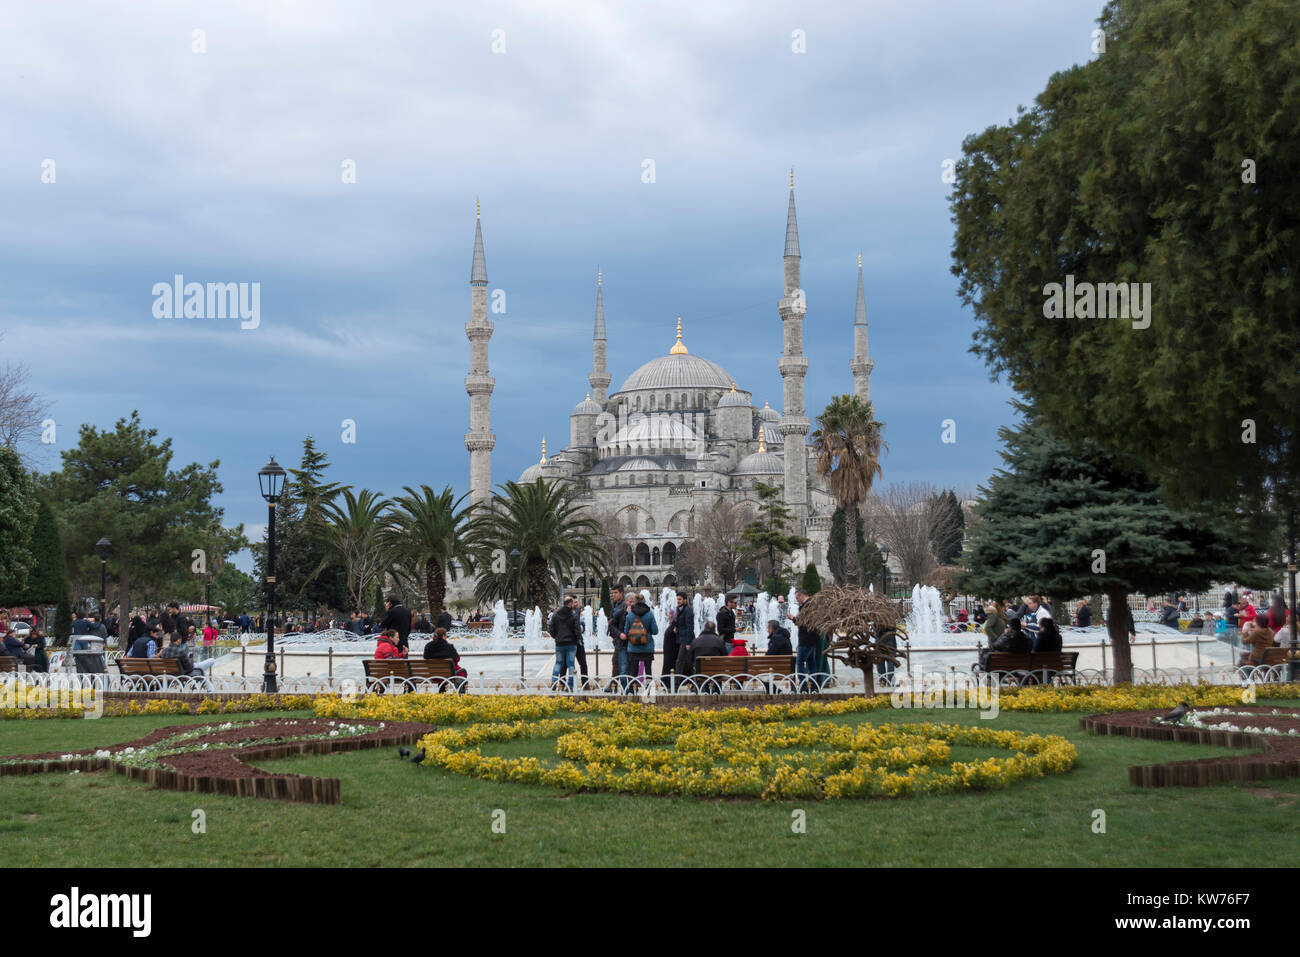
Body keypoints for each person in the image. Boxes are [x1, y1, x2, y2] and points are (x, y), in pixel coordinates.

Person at [622, 594, 658, 687]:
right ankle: (648, 689)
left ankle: (633, 690)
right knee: (648, 670)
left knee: (633, 670)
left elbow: (626, 632)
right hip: (647, 647)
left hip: (633, 647)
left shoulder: (630, 615)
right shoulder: (650, 614)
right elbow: (655, 631)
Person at [548, 595, 581, 691]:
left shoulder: (555, 615)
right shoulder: (573, 615)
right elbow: (577, 630)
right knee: (571, 664)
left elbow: (551, 628)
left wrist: (556, 637)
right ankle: (570, 686)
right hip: (571, 644)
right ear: (570, 604)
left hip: (559, 643)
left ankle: (554, 682)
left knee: (558, 663)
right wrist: (576, 639)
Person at [422, 627, 467, 692]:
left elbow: (425, 657)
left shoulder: (428, 646)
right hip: (448, 675)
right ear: (443, 636)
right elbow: (457, 659)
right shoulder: (449, 647)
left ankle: (442, 691)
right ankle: (460, 692)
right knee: (462, 672)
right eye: (446, 635)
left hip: (433, 675)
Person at [666, 592, 694, 690]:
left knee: (680, 662)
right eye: (677, 599)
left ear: (685, 600)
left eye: (680, 599)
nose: (678, 601)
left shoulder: (688, 610)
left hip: (685, 640)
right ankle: (696, 684)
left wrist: (688, 642)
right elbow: (680, 623)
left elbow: (690, 627)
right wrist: (676, 627)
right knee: (689, 662)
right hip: (681, 638)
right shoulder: (680, 609)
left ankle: (675, 686)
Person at [608, 585, 629, 689]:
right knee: (616, 662)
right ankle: (614, 685)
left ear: (621, 593)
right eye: (613, 593)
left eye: (616, 593)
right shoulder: (617, 605)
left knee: (619, 663)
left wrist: (619, 633)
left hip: (622, 639)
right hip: (618, 639)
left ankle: (616, 685)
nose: (614, 595)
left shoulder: (624, 606)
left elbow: (622, 623)